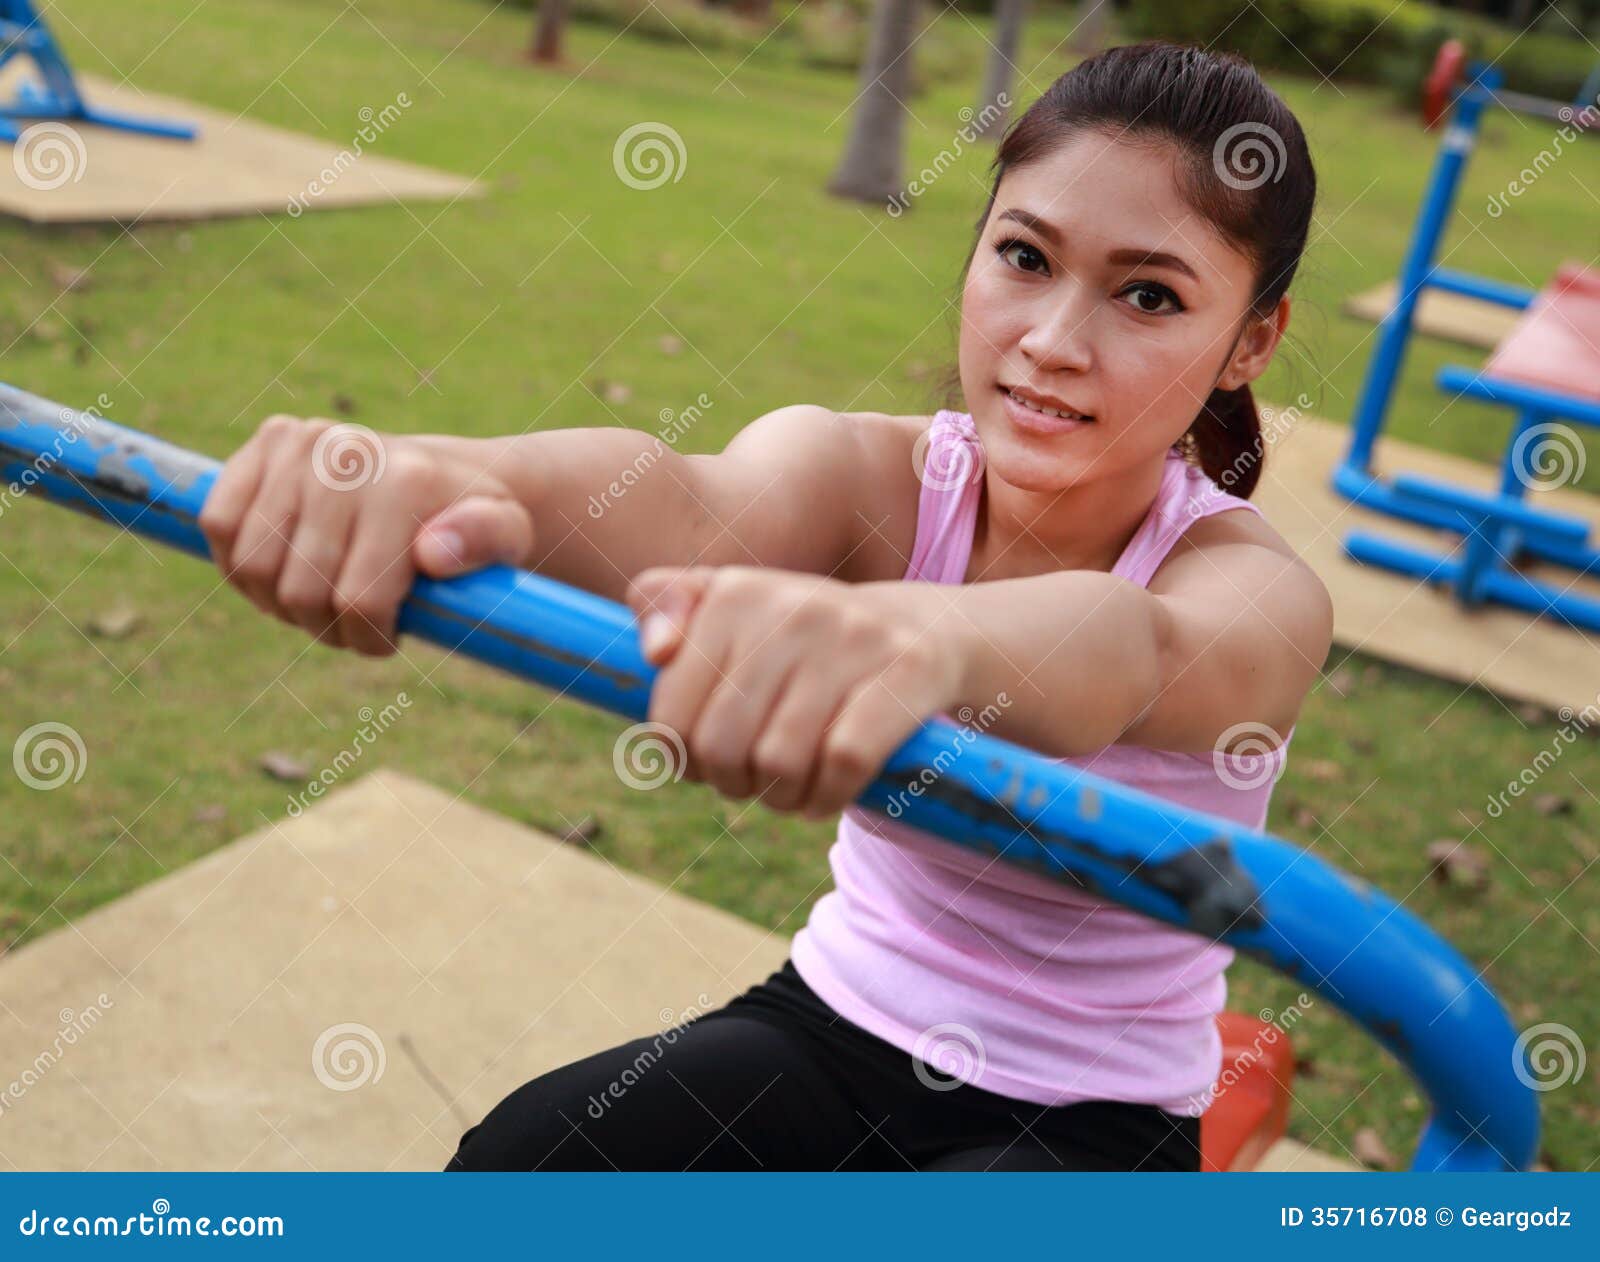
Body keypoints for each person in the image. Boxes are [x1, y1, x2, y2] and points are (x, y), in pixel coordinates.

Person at [198, 42, 1332, 1171]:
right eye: (1024, 257)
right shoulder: (877, 478)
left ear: (1248, 341)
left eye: (1148, 295)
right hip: (838, 1026)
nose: (1051, 341)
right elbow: (690, 504)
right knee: (529, 1161)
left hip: (1094, 1113)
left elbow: (1132, 649)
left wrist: (916, 636)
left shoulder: (1251, 588)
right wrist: (454, 477)